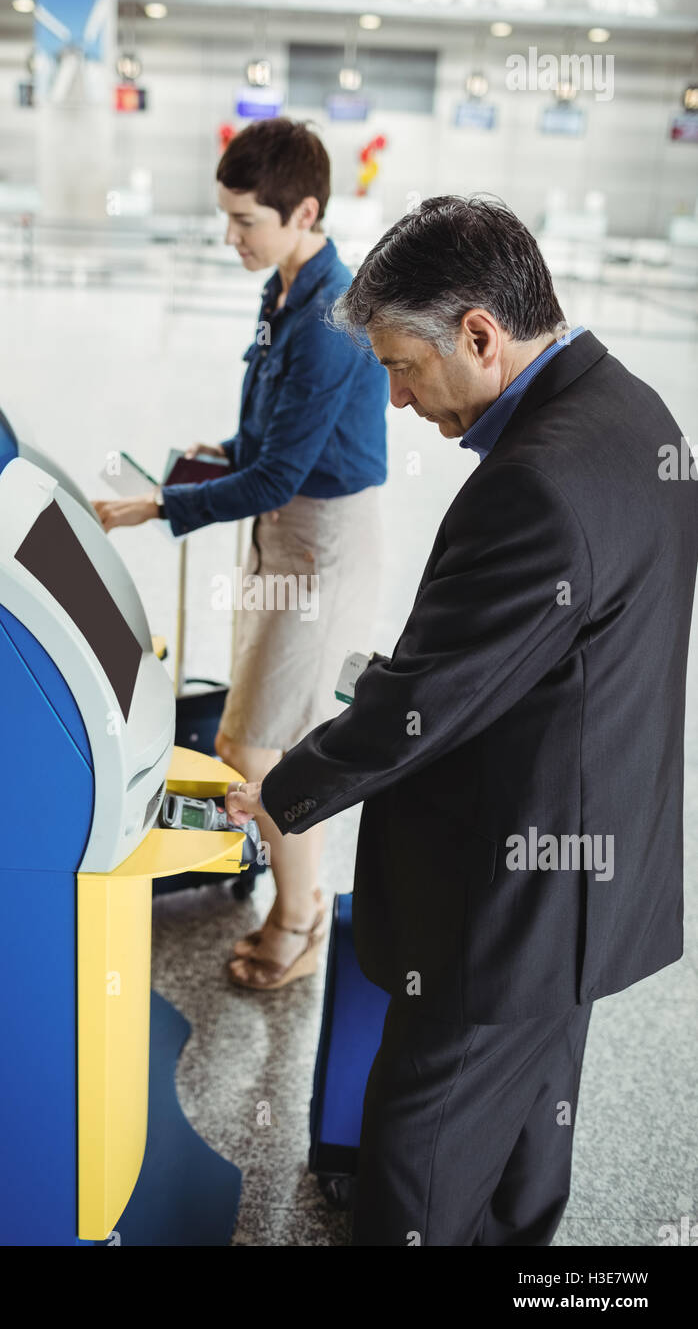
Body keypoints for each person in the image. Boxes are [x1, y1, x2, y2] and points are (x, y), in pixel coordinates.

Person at [226, 194, 698, 1244]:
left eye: (401, 365)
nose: (394, 400)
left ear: (479, 334)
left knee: (418, 1159)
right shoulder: (634, 412)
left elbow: (428, 695)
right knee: (528, 1136)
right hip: (581, 874)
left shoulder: (532, 483)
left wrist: (286, 788)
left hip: (505, 902)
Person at [92, 118, 389, 989]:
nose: (232, 238)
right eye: (226, 218)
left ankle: (299, 922)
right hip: (283, 531)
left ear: (304, 212)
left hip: (319, 542)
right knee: (267, 736)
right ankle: (297, 905)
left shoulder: (332, 317)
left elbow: (276, 478)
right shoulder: (288, 287)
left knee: (261, 751)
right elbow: (268, 438)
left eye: (245, 222)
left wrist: (160, 505)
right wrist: (224, 447)